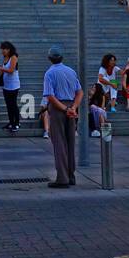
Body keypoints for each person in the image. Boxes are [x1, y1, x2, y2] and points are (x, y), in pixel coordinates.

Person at [43, 46, 82, 188]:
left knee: (59, 143)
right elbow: (80, 92)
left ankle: (62, 177)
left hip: (58, 109)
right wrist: (73, 108)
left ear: (49, 58)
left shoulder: (50, 73)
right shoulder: (71, 71)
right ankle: (71, 176)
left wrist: (65, 109)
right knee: (70, 142)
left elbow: (50, 96)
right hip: (71, 107)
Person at [0, 41, 22, 132]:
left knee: (13, 104)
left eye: (4, 49)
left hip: (14, 85)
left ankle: (16, 123)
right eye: (2, 49)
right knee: (8, 105)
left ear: (9, 49)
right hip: (6, 85)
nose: (3, 51)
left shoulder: (14, 57)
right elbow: (4, 69)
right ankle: (11, 122)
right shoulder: (5, 57)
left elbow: (11, 70)